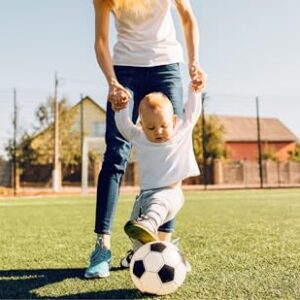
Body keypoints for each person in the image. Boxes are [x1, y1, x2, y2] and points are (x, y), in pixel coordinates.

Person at [85, 0, 206, 279]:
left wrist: (194, 62)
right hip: (125, 69)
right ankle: (102, 246)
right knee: (115, 155)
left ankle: (162, 247)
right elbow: (101, 41)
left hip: (166, 65)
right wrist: (112, 82)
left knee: (170, 149)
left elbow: (187, 17)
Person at [114, 84, 202, 255]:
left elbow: (193, 111)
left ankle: (150, 223)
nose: (158, 131)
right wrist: (122, 108)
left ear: (174, 121)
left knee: (157, 205)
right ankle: (136, 255)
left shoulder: (181, 131)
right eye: (151, 128)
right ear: (142, 125)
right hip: (144, 197)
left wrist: (194, 90)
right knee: (136, 233)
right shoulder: (139, 137)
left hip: (171, 194)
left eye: (163, 125)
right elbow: (124, 126)